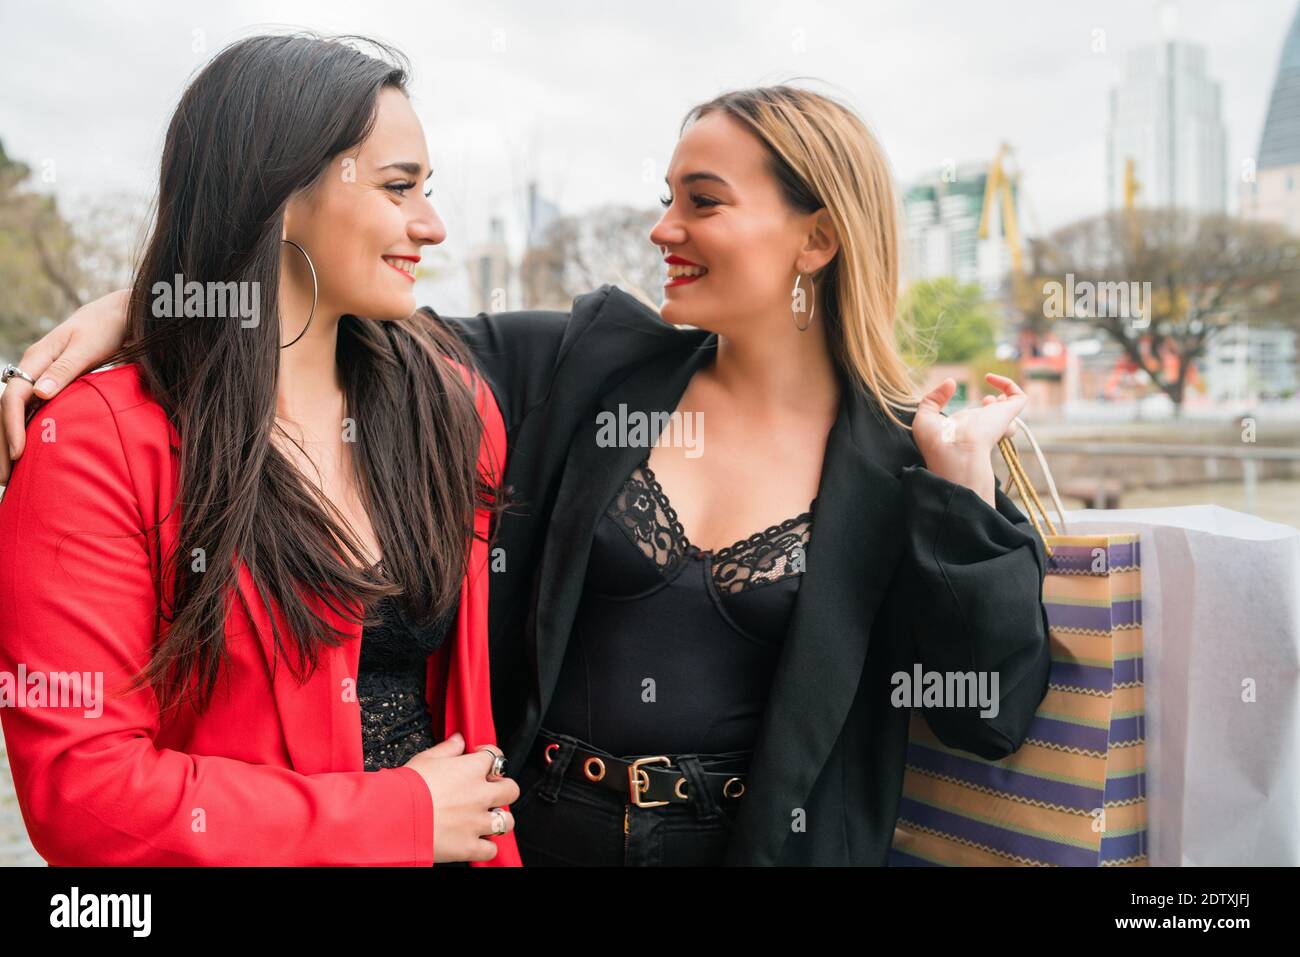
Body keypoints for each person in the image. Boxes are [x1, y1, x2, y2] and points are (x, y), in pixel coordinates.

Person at [2, 85, 1051, 867]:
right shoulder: (590, 360)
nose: (661, 229)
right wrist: (138, 313)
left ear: (817, 237)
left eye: (702, 201)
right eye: (664, 196)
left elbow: (988, 714)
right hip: (525, 839)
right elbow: (330, 316)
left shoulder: (908, 459)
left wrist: (961, 491)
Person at [0, 34, 520, 866]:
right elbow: (84, 794)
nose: (433, 224)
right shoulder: (93, 445)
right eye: (399, 188)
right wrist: (395, 817)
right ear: (281, 192)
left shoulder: (452, 409)